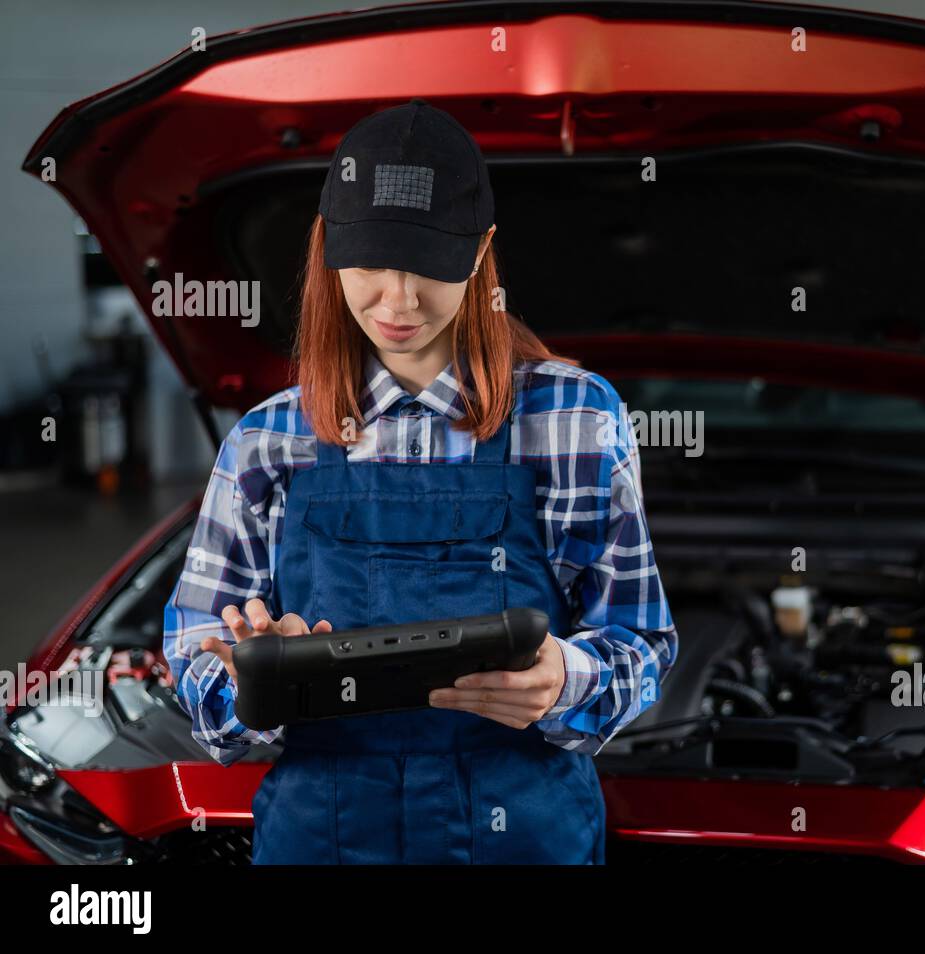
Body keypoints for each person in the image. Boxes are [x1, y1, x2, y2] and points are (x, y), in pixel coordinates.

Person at [161, 99, 677, 864]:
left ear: (480, 253)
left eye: (428, 265)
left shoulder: (573, 418)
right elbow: (191, 654)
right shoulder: (267, 441)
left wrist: (568, 679)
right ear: (328, 249)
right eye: (368, 264)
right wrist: (253, 682)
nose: (397, 302)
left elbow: (642, 641)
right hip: (324, 838)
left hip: (521, 833)